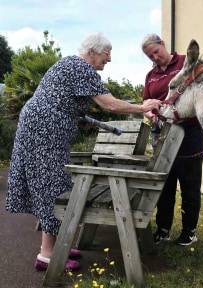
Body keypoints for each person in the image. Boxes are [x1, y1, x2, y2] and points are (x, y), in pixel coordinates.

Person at [5, 32, 162, 271]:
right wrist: (143, 106)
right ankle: (47, 255)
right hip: (44, 131)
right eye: (107, 54)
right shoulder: (82, 68)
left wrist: (81, 118)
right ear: (92, 51)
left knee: (53, 182)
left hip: (38, 126)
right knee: (52, 185)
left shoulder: (70, 64)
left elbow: (58, 100)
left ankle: (57, 246)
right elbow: (109, 103)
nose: (108, 60)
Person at [141, 34, 203, 246]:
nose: (154, 57)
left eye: (156, 52)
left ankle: (189, 230)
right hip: (162, 132)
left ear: (163, 45)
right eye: (150, 56)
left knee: (189, 181)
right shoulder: (150, 75)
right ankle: (163, 229)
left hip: (190, 131)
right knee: (164, 182)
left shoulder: (185, 62)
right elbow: (146, 102)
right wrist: (150, 113)